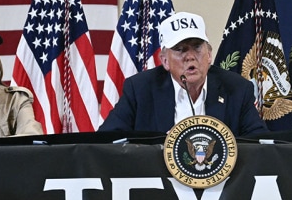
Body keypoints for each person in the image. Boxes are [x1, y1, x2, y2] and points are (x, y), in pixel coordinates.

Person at [100, 11, 269, 136]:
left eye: (197, 47)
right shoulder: (140, 89)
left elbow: (260, 144)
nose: (190, 57)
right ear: (165, 61)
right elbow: (107, 140)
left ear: (209, 55)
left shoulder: (237, 89)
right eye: (180, 50)